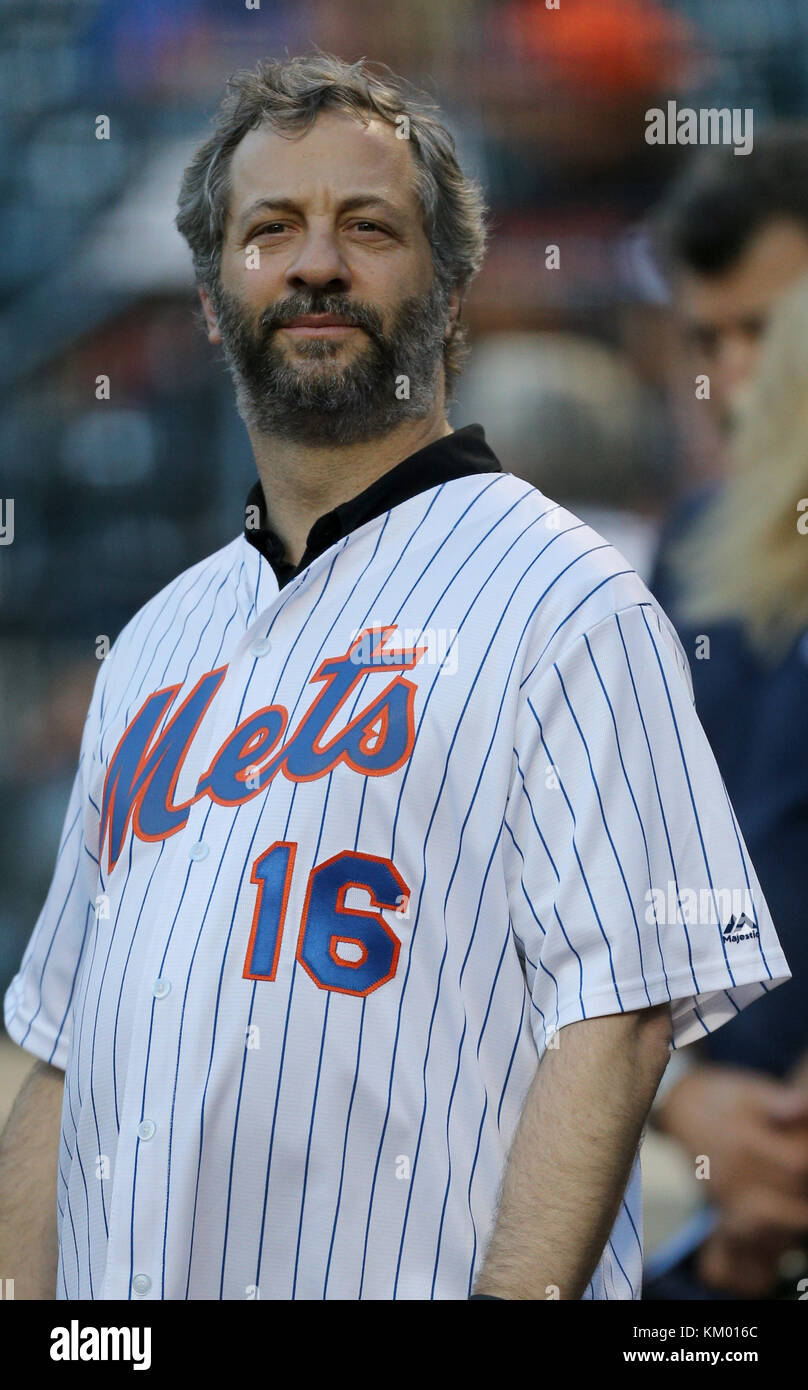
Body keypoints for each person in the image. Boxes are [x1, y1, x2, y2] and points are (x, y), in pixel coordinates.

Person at [0, 52, 789, 1302]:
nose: (316, 262)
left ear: (452, 288)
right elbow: (47, 1048)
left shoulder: (567, 598)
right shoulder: (153, 641)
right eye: (272, 230)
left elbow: (622, 1012)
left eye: (367, 227)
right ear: (213, 298)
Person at [644, 275, 808, 1300]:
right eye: (711, 336)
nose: (737, 372)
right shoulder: (711, 545)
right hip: (719, 1113)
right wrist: (677, 1093)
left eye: (764, 330)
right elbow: (622, 870)